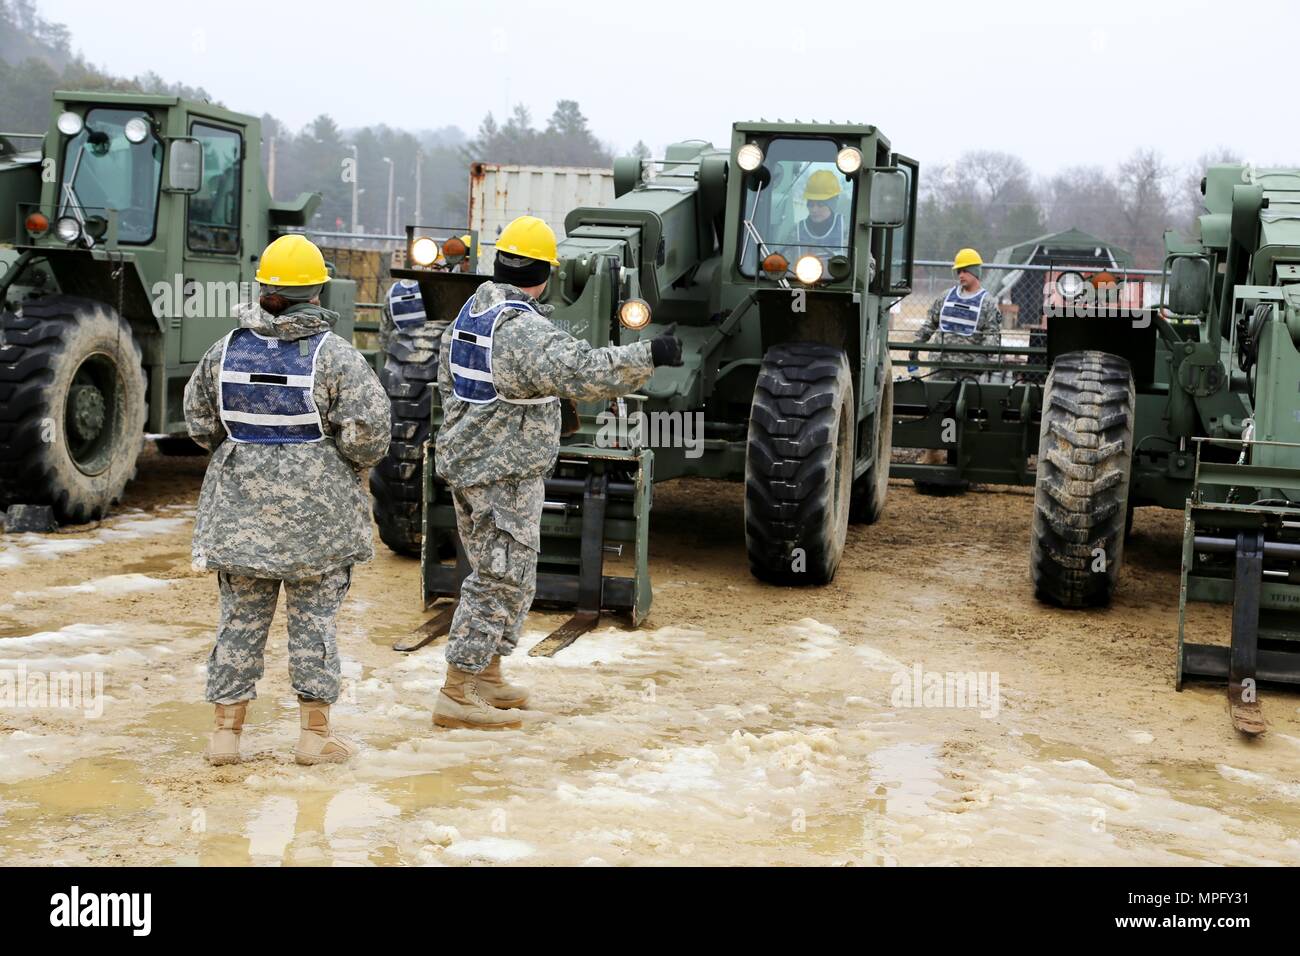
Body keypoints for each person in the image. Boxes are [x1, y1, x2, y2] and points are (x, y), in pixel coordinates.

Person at [433, 215, 682, 730]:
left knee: (500, 574)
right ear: (546, 273)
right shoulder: (522, 329)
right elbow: (583, 371)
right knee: (500, 579)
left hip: (472, 465)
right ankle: (457, 693)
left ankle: (487, 676)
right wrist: (649, 352)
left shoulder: (471, 314)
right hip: (503, 472)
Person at [184, 234, 391, 767]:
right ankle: (313, 740)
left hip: (237, 521)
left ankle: (225, 738)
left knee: (239, 622)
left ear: (263, 289)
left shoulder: (222, 351)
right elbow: (369, 436)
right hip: (317, 528)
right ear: (317, 292)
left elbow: (202, 425)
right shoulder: (336, 358)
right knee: (314, 626)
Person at [910, 247, 1002, 380]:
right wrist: (917, 342)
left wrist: (983, 357)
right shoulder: (946, 296)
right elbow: (930, 323)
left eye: (965, 271)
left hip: (968, 370)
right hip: (940, 366)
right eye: (959, 271)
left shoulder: (988, 303)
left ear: (975, 271)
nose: (961, 275)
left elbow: (992, 334)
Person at [790, 169, 848, 260]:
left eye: (820, 204)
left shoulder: (846, 231)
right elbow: (783, 261)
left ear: (832, 204)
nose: (814, 209)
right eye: (810, 204)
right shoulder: (797, 232)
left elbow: (865, 263)